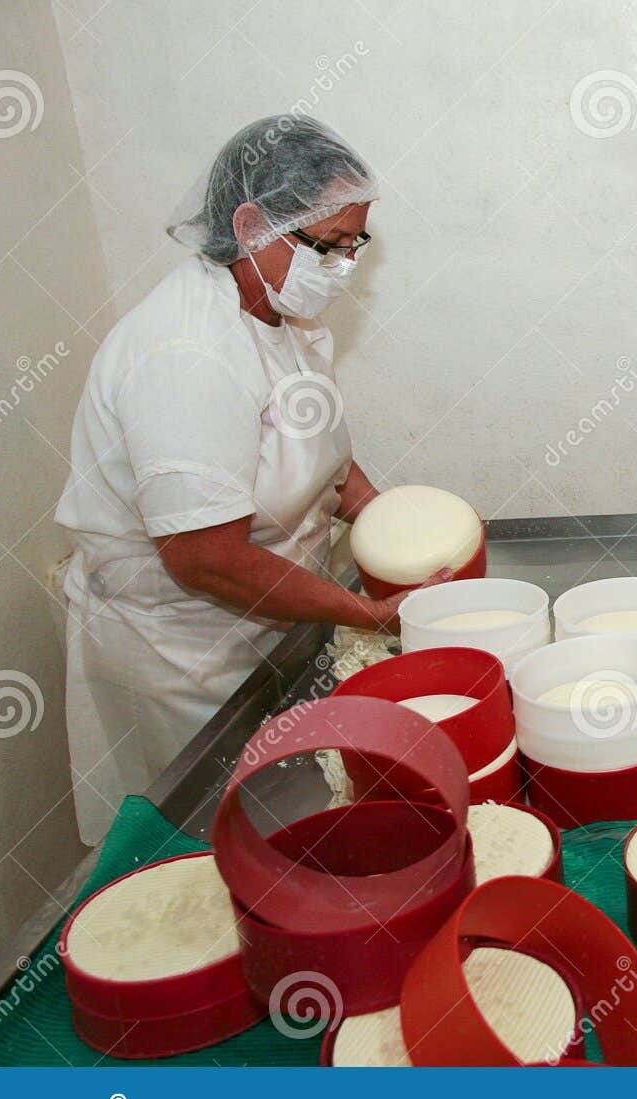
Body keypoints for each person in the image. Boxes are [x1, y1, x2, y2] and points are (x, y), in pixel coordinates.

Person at [55, 115, 444, 844]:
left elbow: (319, 456)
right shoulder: (186, 354)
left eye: (356, 244)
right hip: (185, 658)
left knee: (285, 827)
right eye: (329, 245)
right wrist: (369, 614)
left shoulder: (280, 315)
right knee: (211, 853)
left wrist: (396, 526)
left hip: (269, 625)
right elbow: (205, 557)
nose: (344, 267)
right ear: (251, 225)